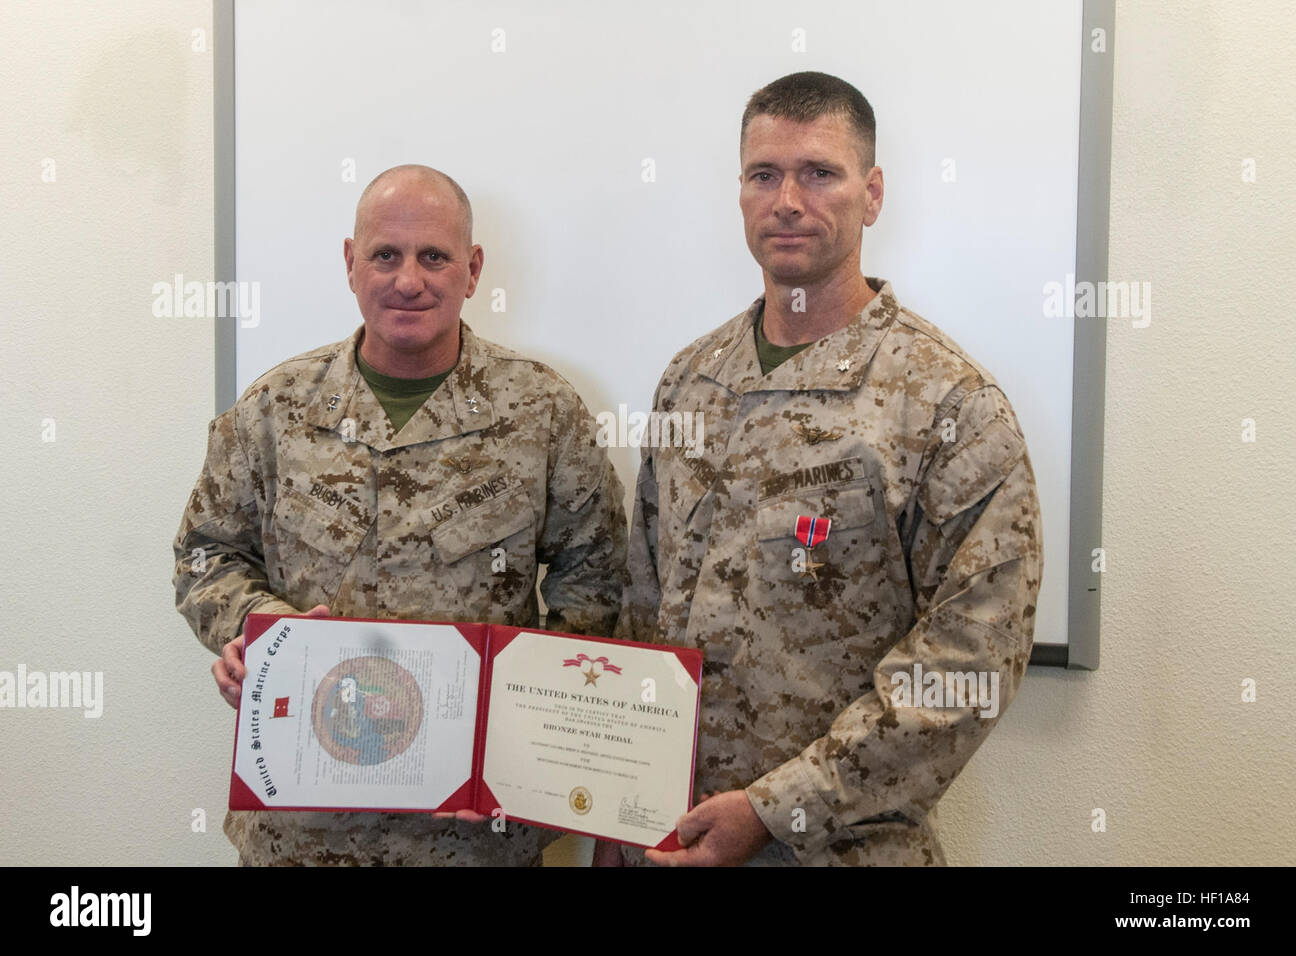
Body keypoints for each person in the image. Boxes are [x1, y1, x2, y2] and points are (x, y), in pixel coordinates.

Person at [602, 72, 1043, 866]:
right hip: (668, 840)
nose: (788, 201)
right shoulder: (688, 381)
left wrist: (776, 810)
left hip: (842, 849)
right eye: (763, 174)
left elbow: (971, 664)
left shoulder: (949, 404)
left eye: (820, 173)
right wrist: (617, 818)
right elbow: (642, 609)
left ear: (871, 195)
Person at [174, 164, 627, 866]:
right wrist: (253, 636)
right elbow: (206, 554)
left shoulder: (543, 413)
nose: (408, 280)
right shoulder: (275, 409)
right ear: (351, 264)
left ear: (472, 270)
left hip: (476, 837)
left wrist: (533, 717)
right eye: (385, 255)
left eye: (434, 257)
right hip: (305, 824)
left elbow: (597, 579)